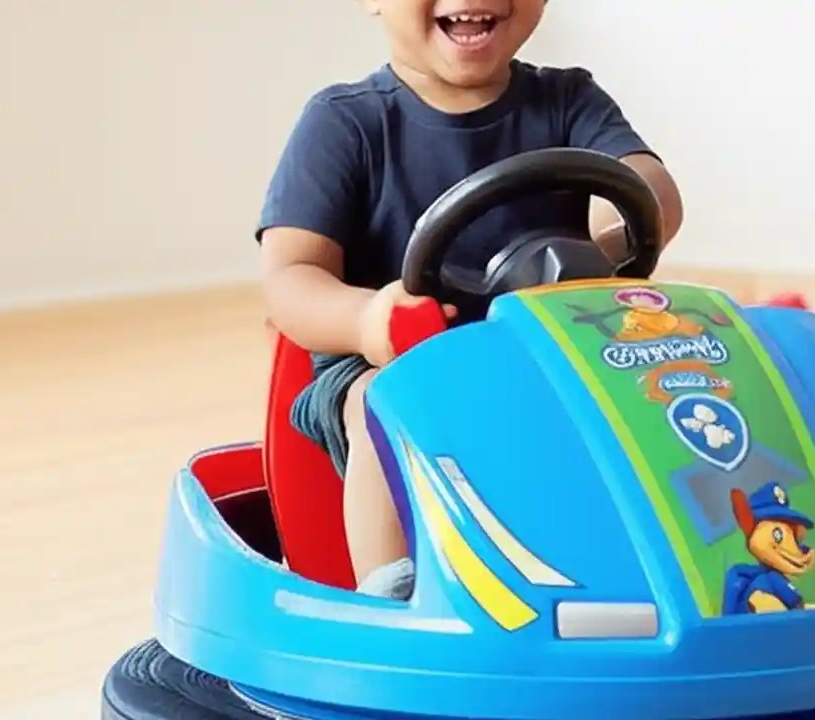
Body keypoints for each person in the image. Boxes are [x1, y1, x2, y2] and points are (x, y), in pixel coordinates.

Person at [256, 0, 684, 599]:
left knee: (666, 371)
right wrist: (366, 318)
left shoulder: (569, 100)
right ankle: (394, 595)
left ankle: (671, 569)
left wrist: (611, 249)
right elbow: (289, 278)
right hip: (392, 355)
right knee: (385, 399)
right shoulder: (344, 123)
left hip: (547, 351)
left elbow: (651, 190)